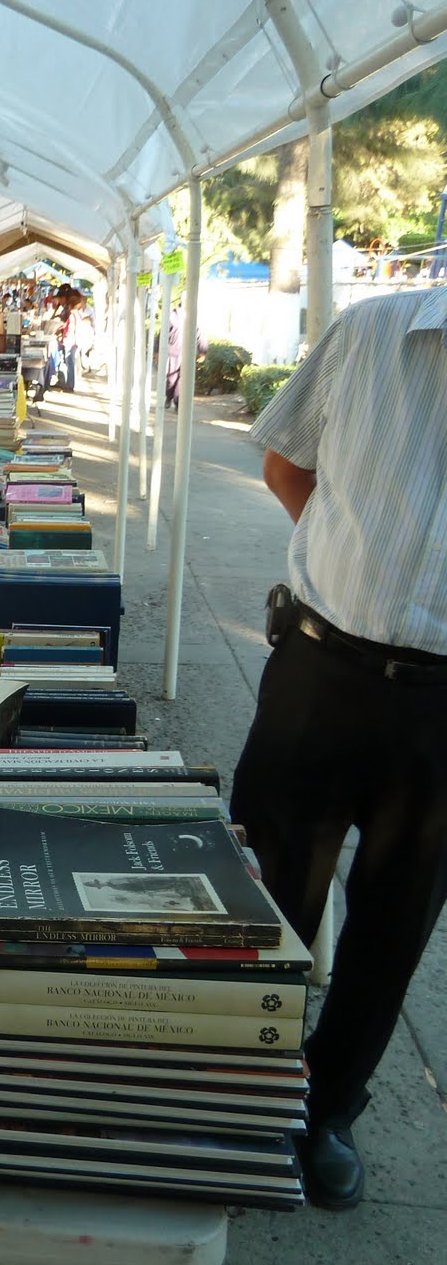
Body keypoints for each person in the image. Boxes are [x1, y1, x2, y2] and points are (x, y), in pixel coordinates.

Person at [228, 287, 447, 1211]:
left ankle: (328, 1107)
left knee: (395, 922)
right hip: (323, 665)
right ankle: (242, 1091)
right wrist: (359, 569)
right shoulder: (371, 333)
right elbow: (288, 467)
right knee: (261, 891)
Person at [165, 305, 208, 409]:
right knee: (171, 378)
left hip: (188, 352)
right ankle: (169, 396)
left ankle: (178, 402)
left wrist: (202, 350)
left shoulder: (194, 315)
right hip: (174, 352)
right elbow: (164, 331)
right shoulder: (173, 315)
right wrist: (158, 349)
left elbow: (200, 334)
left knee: (182, 379)